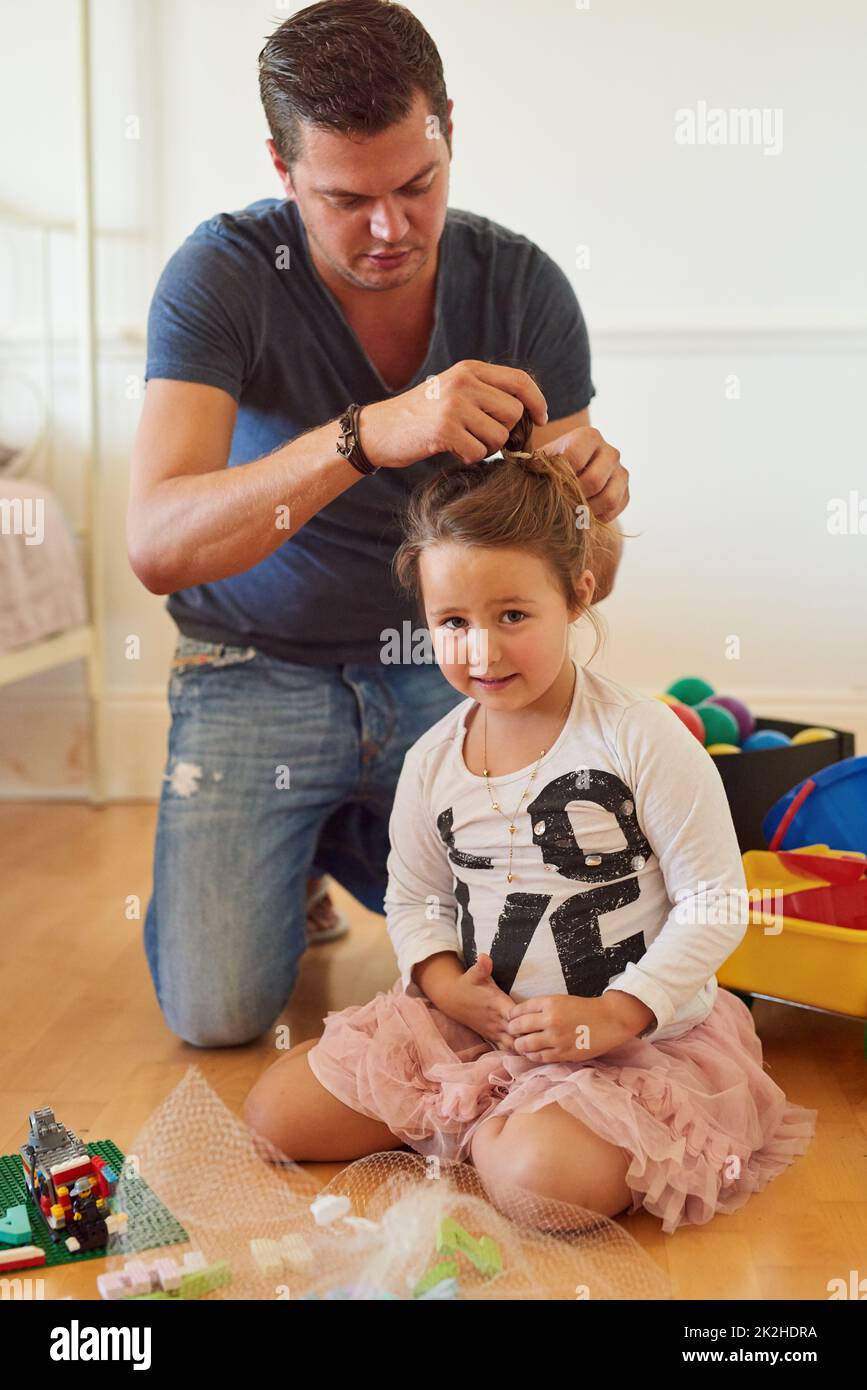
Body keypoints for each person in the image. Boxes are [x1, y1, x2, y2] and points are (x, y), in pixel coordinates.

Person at [127, 0, 629, 1047]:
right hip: (253, 665)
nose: (392, 227)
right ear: (281, 164)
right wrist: (368, 433)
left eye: (417, 184)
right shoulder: (221, 275)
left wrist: (595, 515)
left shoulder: (523, 284)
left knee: (530, 963)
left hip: (443, 672)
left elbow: (593, 573)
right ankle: (302, 843)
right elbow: (157, 543)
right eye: (347, 199)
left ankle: (343, 830)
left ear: (448, 126)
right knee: (218, 1013)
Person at [243, 409, 817, 1234]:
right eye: (453, 624)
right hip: (478, 1028)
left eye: (512, 615)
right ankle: (489, 1113)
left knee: (538, 1190)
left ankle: (517, 1133)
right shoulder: (434, 760)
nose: (481, 653)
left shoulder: (636, 736)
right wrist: (445, 989)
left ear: (576, 594)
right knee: (273, 1119)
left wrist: (619, 1011)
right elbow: (413, 902)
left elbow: (715, 899)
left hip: (629, 1041)